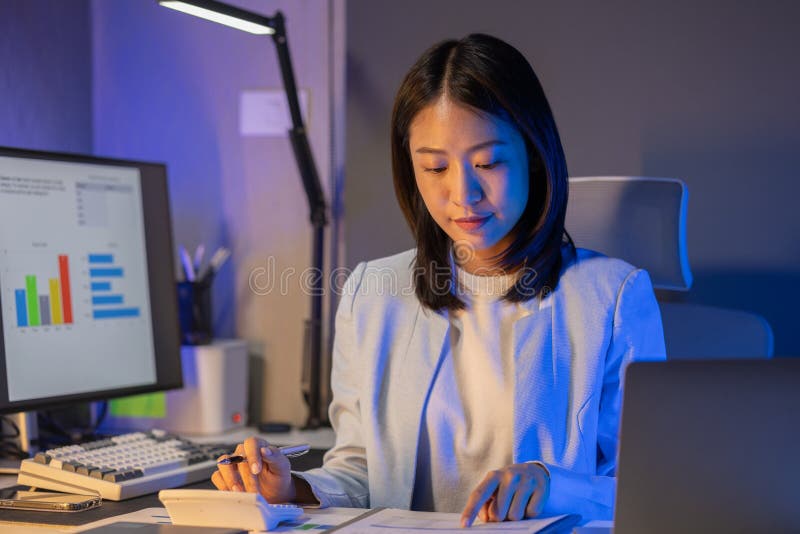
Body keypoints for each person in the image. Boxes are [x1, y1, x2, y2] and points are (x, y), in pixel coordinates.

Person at [211, 33, 666, 526]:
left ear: (533, 156)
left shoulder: (613, 298)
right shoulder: (372, 292)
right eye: (435, 167)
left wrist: (553, 485)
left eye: (487, 163)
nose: (461, 192)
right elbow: (362, 471)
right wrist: (293, 486)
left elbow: (646, 491)